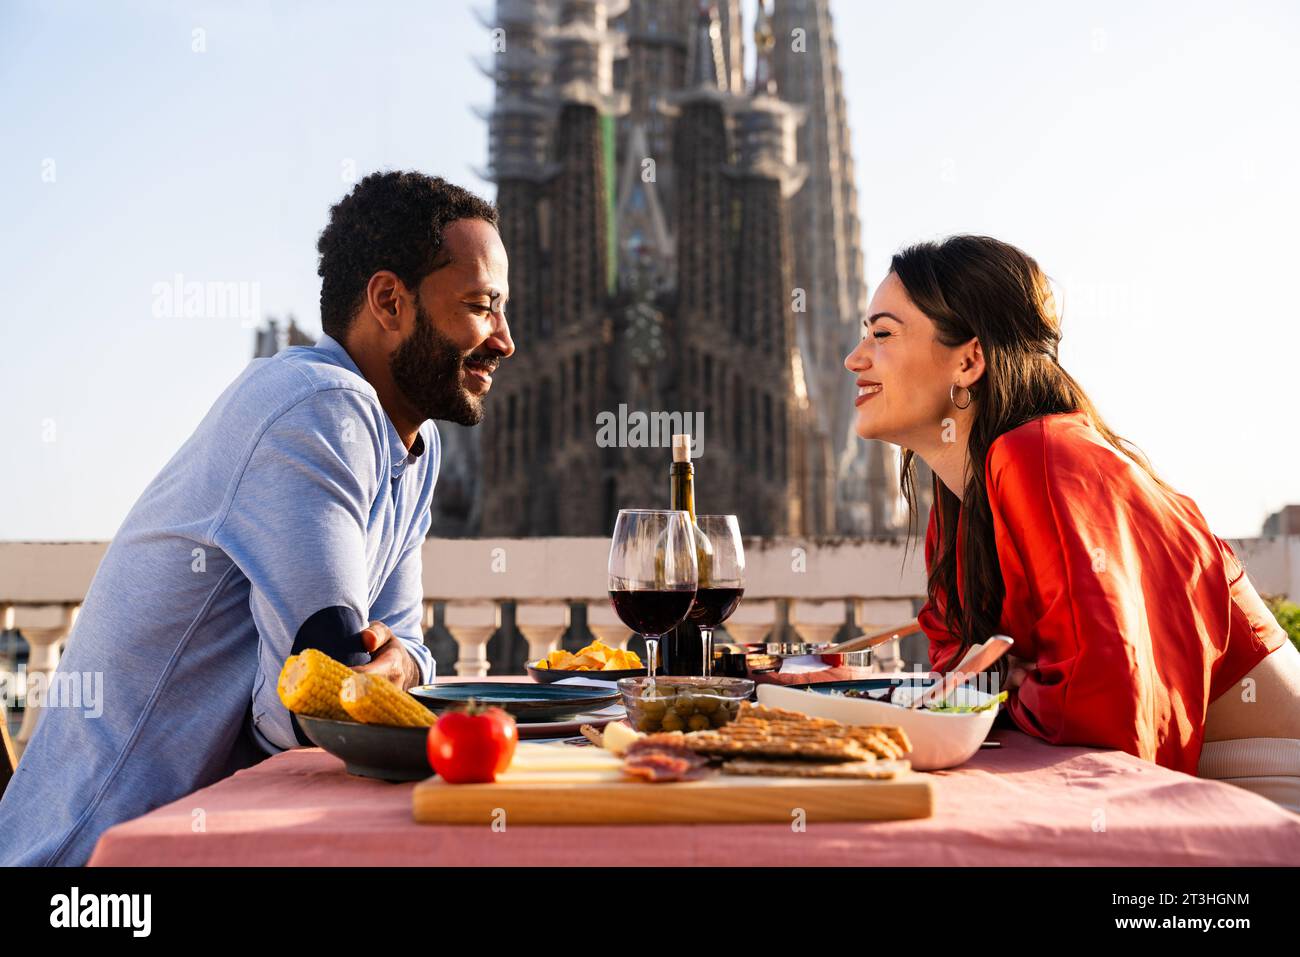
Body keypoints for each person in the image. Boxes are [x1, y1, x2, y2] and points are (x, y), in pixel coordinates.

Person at [0, 171, 513, 864]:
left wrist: (387, 668)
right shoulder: (316, 407)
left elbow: (404, 651)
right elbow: (314, 708)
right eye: (482, 307)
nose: (505, 340)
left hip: (224, 837)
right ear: (390, 301)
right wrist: (368, 674)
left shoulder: (413, 447)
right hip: (91, 864)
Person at [843, 235, 1300, 813]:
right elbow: (959, 680)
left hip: (1265, 787)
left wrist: (1002, 682)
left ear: (968, 360)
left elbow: (1104, 714)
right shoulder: (960, 501)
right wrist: (1012, 678)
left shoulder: (1044, 453)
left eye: (881, 334)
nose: (854, 358)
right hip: (1160, 780)